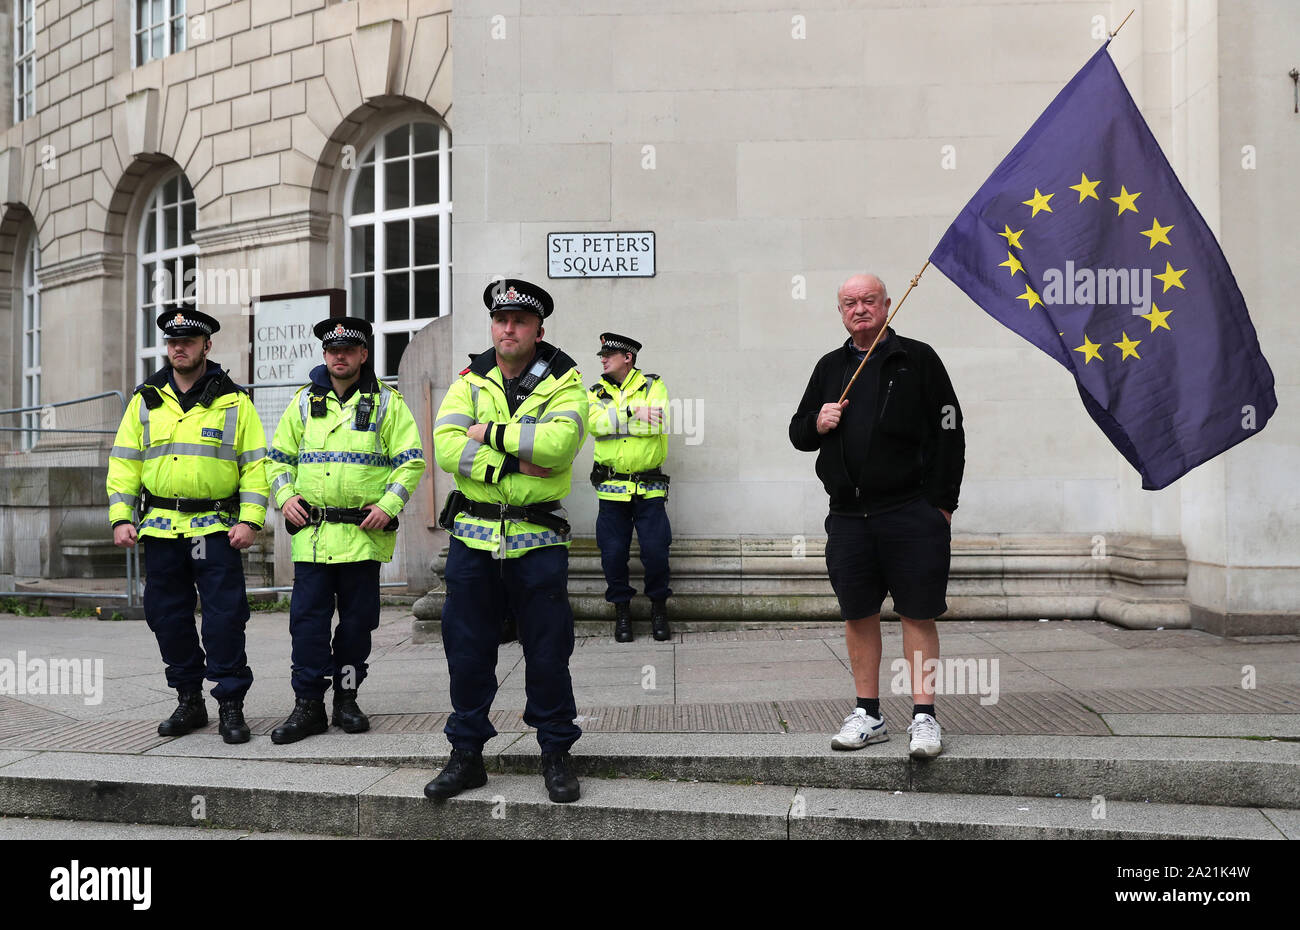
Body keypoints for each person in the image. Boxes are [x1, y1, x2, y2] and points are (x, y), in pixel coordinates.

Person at [788, 273, 964, 759]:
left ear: (887, 304)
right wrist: (817, 422)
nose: (859, 309)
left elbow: (951, 428)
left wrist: (942, 506)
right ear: (839, 311)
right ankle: (868, 713)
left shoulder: (918, 359)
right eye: (849, 302)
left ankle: (924, 717)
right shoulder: (830, 366)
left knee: (917, 611)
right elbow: (799, 432)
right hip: (848, 516)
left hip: (911, 512)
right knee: (858, 612)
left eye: (868, 300)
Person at [426, 278, 587, 804]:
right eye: (501, 319)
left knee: (547, 649)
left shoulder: (566, 382)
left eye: (520, 320)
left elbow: (559, 448)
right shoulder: (469, 380)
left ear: (539, 329)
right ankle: (467, 754)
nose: (509, 328)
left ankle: (556, 751)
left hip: (538, 539)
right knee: (467, 648)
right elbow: (447, 446)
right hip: (472, 539)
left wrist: (488, 433)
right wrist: (516, 460)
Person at [107, 309, 269, 744]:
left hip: (214, 528)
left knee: (224, 618)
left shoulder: (234, 401)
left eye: (190, 340)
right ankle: (189, 699)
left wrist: (251, 520)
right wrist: (122, 516)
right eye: (173, 340)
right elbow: (124, 463)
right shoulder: (145, 400)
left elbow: (255, 467)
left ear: (206, 346)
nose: (180, 347)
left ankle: (231, 704)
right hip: (160, 529)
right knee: (168, 617)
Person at [264, 317, 426, 744]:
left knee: (357, 626)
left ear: (363, 355)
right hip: (313, 537)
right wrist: (285, 498)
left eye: (348, 350)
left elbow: (410, 461)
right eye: (333, 350)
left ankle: (347, 699)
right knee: (308, 625)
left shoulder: (388, 403)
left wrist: (389, 505)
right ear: (324, 355)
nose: (340, 356)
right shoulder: (302, 402)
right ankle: (309, 706)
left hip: (361, 536)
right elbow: (276, 460)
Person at [586, 333, 673, 642]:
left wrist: (615, 422)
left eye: (608, 354)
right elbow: (593, 425)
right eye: (602, 354)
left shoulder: (653, 386)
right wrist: (632, 412)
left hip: (649, 489)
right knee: (612, 554)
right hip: (611, 490)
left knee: (655, 553)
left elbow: (657, 423)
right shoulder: (595, 392)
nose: (602, 359)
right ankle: (622, 612)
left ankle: (658, 609)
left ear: (628, 357)